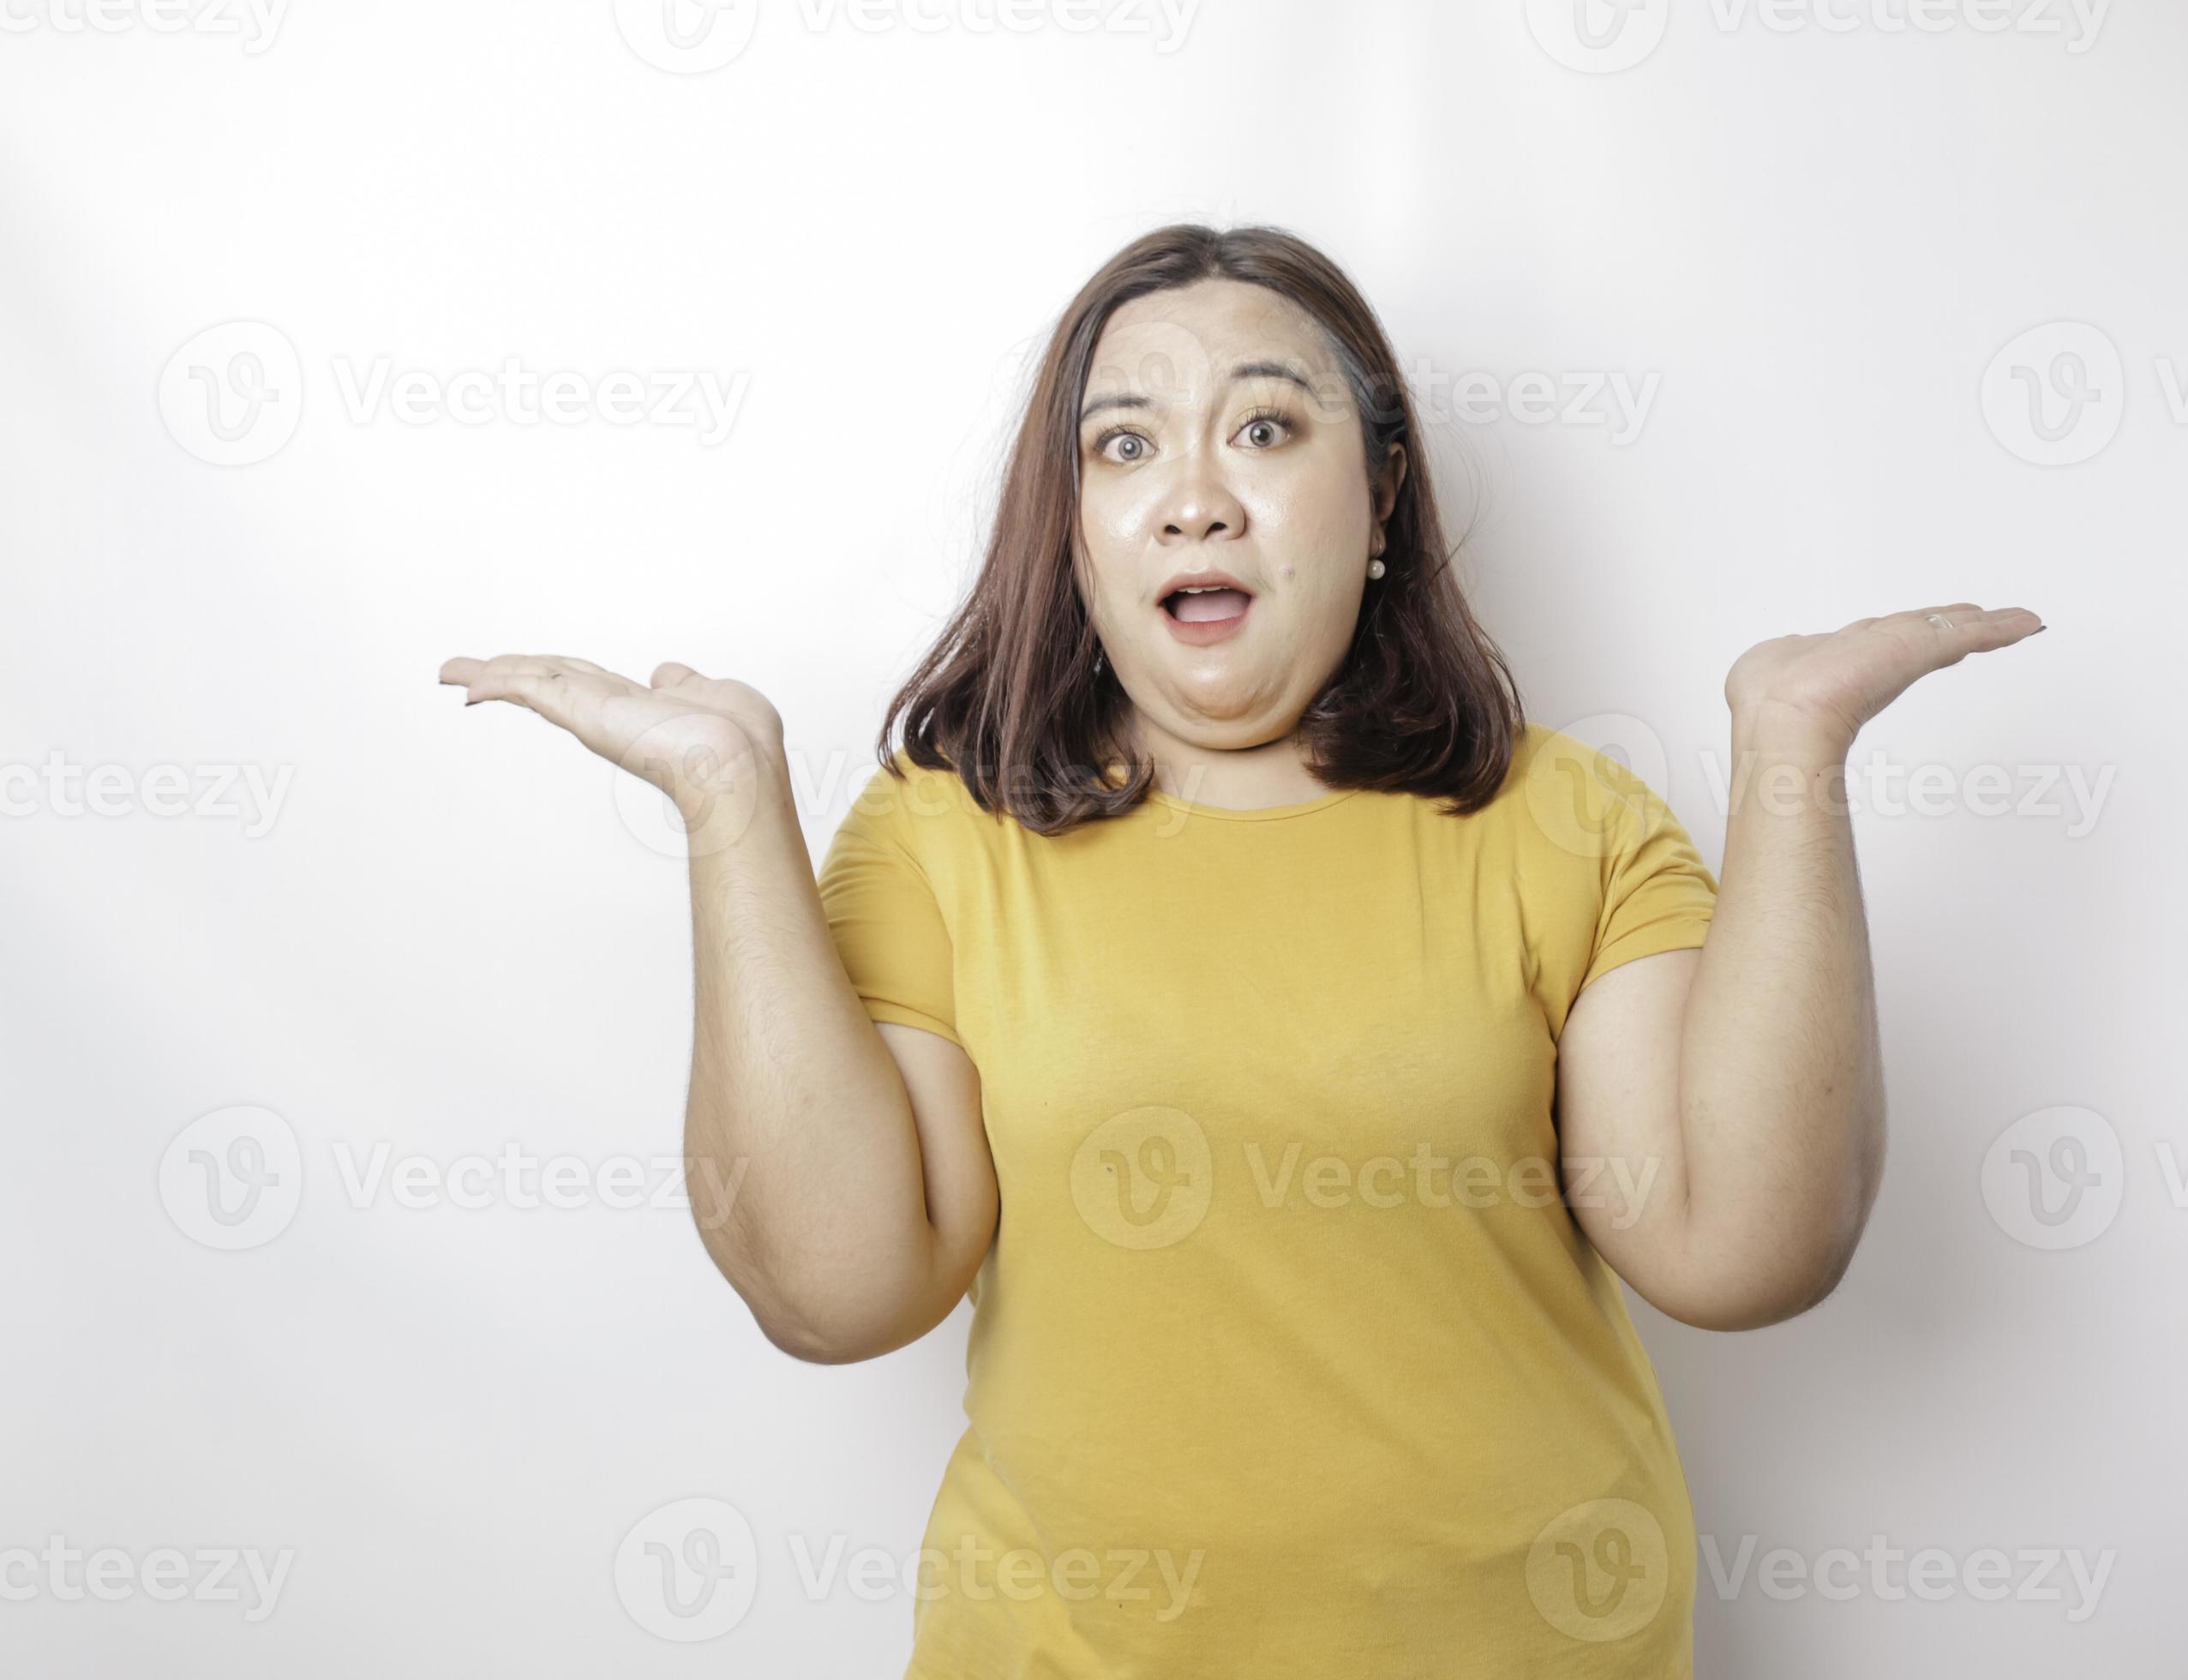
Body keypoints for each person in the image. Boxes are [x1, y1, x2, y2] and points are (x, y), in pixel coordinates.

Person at [439, 222, 2042, 1676]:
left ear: (1384, 491)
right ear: (1072, 524)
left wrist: (1792, 750)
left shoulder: (1565, 822)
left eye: (1266, 428)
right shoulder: (940, 835)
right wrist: (729, 808)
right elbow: (839, 1289)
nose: (1194, 492)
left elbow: (1745, 1246)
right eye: (1123, 444)